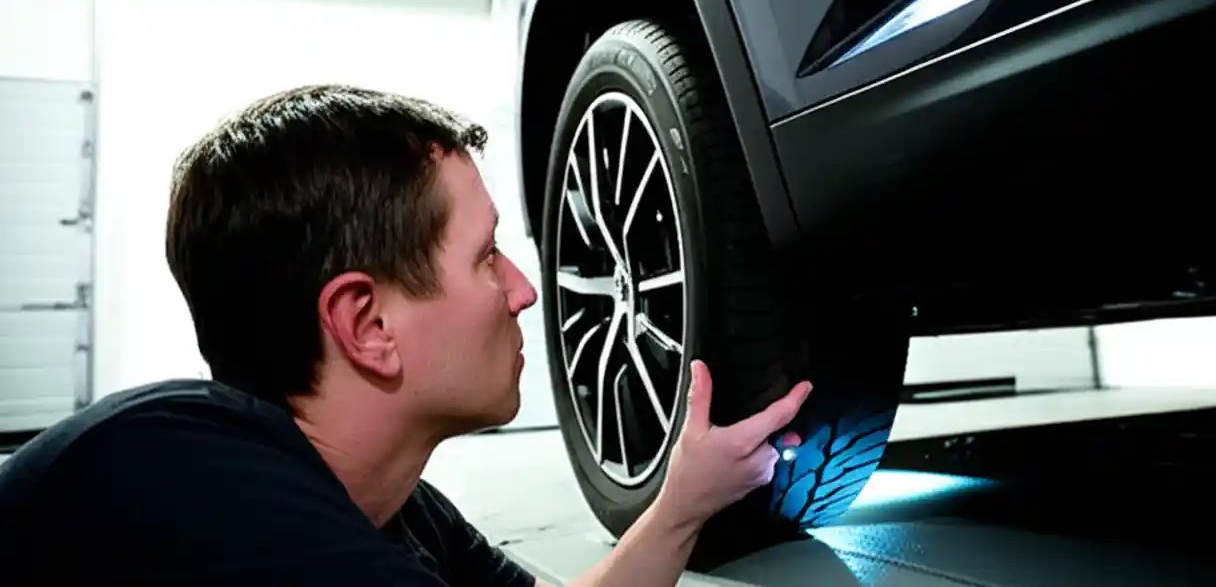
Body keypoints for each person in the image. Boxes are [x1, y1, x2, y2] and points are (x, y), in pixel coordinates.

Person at [0, 84, 812, 585]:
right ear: (368, 326)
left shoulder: (391, 512)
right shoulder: (200, 503)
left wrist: (685, 501)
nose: (526, 293)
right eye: (487, 256)